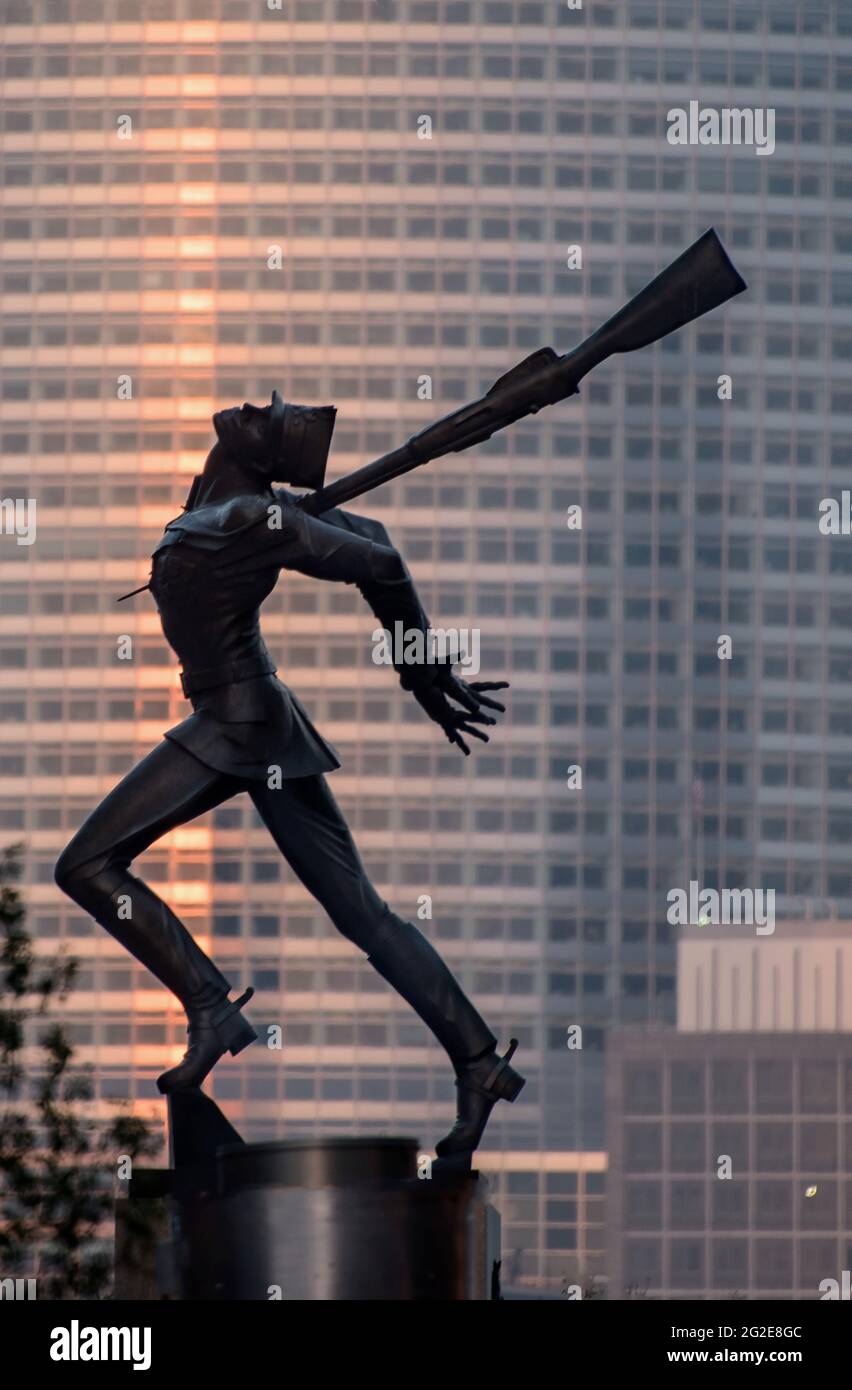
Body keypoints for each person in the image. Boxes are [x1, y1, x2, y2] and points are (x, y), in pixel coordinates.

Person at [54, 393, 525, 1164]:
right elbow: (367, 534)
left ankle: (211, 1005)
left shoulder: (251, 521)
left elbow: (382, 560)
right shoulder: (232, 506)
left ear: (267, 449)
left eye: (270, 415)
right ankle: (477, 1058)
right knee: (363, 914)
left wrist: (421, 669)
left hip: (238, 724)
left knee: (85, 865)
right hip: (247, 720)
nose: (257, 406)